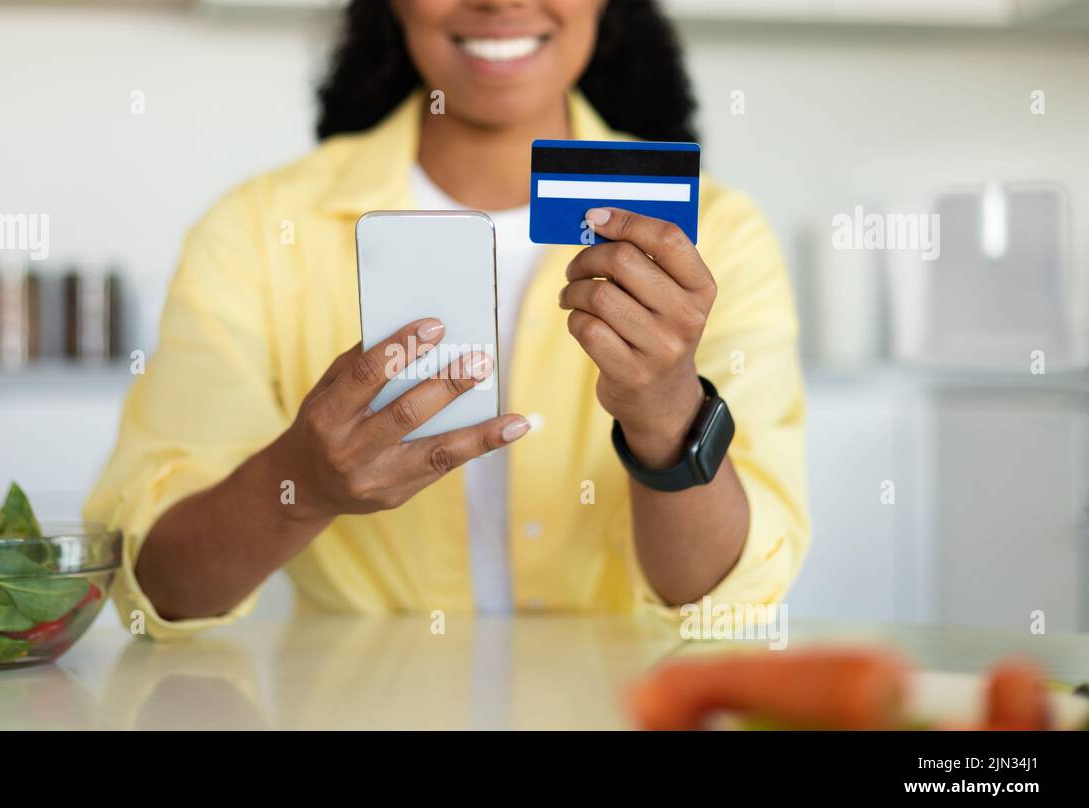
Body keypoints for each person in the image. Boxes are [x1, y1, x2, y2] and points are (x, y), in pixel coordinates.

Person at [85, 0, 809, 640]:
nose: (500, 1)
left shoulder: (718, 232)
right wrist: (300, 483)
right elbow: (160, 590)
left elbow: (724, 600)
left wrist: (666, 416)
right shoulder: (255, 229)